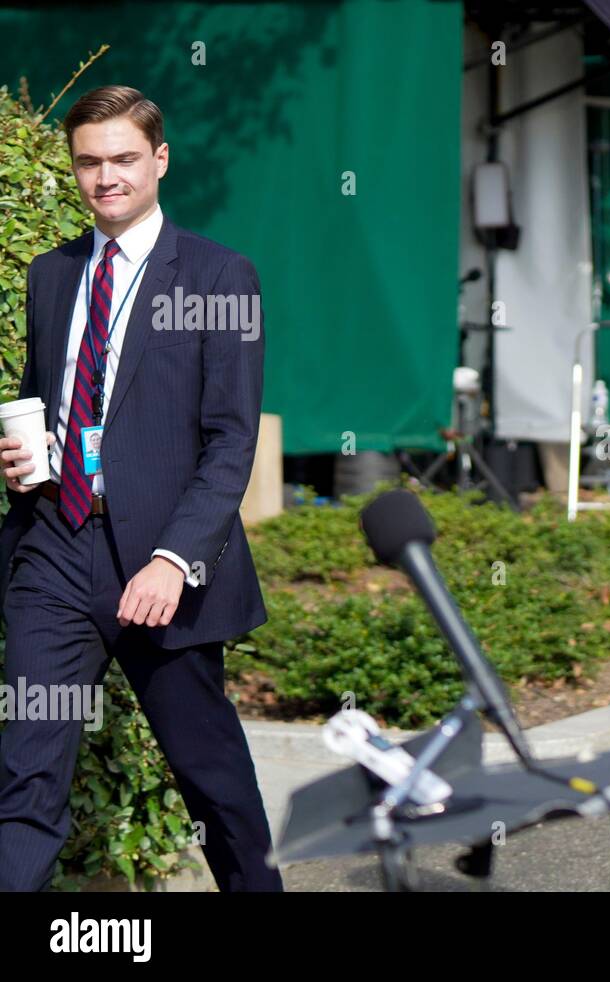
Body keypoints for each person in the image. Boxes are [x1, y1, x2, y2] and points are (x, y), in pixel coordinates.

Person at [0, 85, 282, 890]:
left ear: (159, 160)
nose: (106, 177)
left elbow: (232, 441)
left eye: (123, 159)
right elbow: (50, 399)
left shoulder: (222, 275)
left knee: (213, 780)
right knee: (26, 776)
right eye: (89, 162)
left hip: (162, 566)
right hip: (55, 548)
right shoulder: (50, 276)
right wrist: (27, 457)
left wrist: (173, 558)